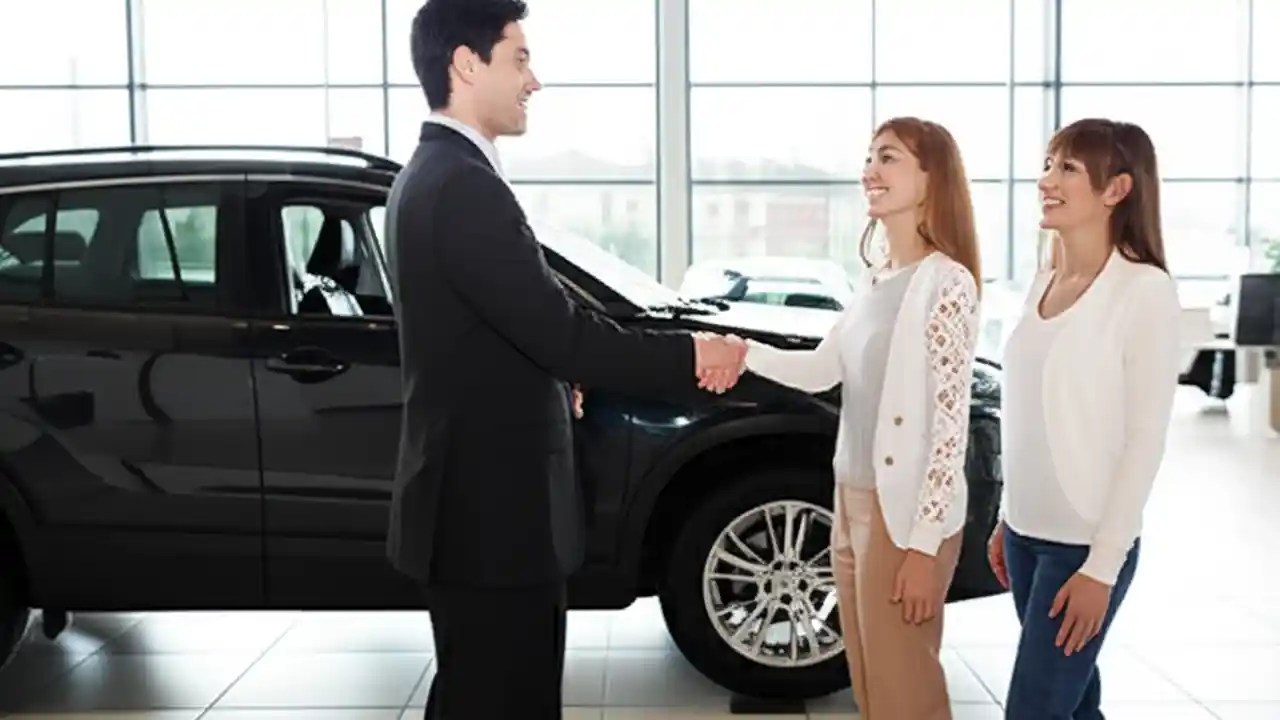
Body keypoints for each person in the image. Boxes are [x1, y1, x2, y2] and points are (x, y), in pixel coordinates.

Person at [382, 2, 745, 718]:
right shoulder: (462, 186)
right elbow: (562, 333)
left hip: (474, 516)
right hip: (491, 521)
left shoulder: (436, 173)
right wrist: (692, 354)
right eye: (519, 58)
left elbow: (493, 334)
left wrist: (547, 375)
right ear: (466, 64)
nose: (534, 80)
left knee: (474, 694)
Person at [739, 117, 983, 720]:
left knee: (905, 691)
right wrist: (739, 354)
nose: (870, 170)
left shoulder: (946, 283)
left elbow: (949, 428)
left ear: (931, 178)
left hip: (904, 515)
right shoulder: (877, 279)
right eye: (870, 157)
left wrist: (924, 548)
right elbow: (820, 370)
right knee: (871, 687)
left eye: (888, 157)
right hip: (851, 500)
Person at [986, 118, 1181, 719]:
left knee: (1034, 710)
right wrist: (1006, 518)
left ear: (1116, 189)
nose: (1046, 180)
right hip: (1024, 536)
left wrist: (1102, 568)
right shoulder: (1044, 279)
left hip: (1082, 547)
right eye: (1048, 164)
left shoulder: (1143, 291)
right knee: (1073, 707)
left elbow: (1145, 439)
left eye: (1067, 168)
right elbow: (1028, 414)